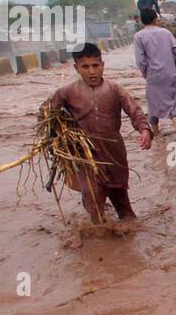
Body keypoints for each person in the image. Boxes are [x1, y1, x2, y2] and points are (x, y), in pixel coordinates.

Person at [45, 42, 152, 223]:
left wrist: (145, 130)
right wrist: (55, 136)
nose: (92, 71)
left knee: (124, 209)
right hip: (86, 156)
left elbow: (135, 111)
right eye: (85, 67)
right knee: (93, 197)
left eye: (95, 66)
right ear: (77, 68)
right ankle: (99, 241)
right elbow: (46, 113)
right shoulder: (67, 92)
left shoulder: (115, 89)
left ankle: (125, 242)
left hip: (114, 154)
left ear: (102, 65)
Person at [133, 7, 176, 139]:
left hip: (153, 75)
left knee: (153, 104)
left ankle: (156, 133)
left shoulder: (138, 36)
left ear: (141, 21)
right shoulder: (166, 33)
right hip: (170, 73)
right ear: (156, 18)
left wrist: (146, 74)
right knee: (173, 103)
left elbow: (140, 60)